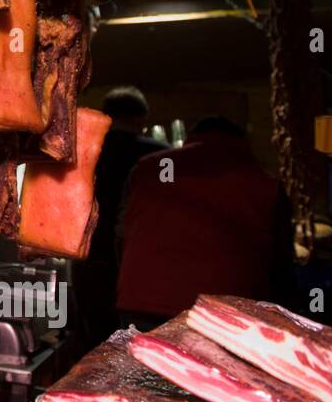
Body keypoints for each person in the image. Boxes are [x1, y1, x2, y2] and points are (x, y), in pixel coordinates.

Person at [114, 116, 293, 330]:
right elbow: (281, 264)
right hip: (223, 315)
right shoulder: (267, 185)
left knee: (141, 362)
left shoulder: (147, 168)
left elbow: (121, 235)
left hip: (142, 304)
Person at [72, 87, 168, 350]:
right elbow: (170, 199)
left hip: (88, 256)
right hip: (141, 263)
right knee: (136, 345)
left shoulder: (83, 152)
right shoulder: (163, 158)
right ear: (142, 118)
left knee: (93, 342)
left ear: (106, 116)